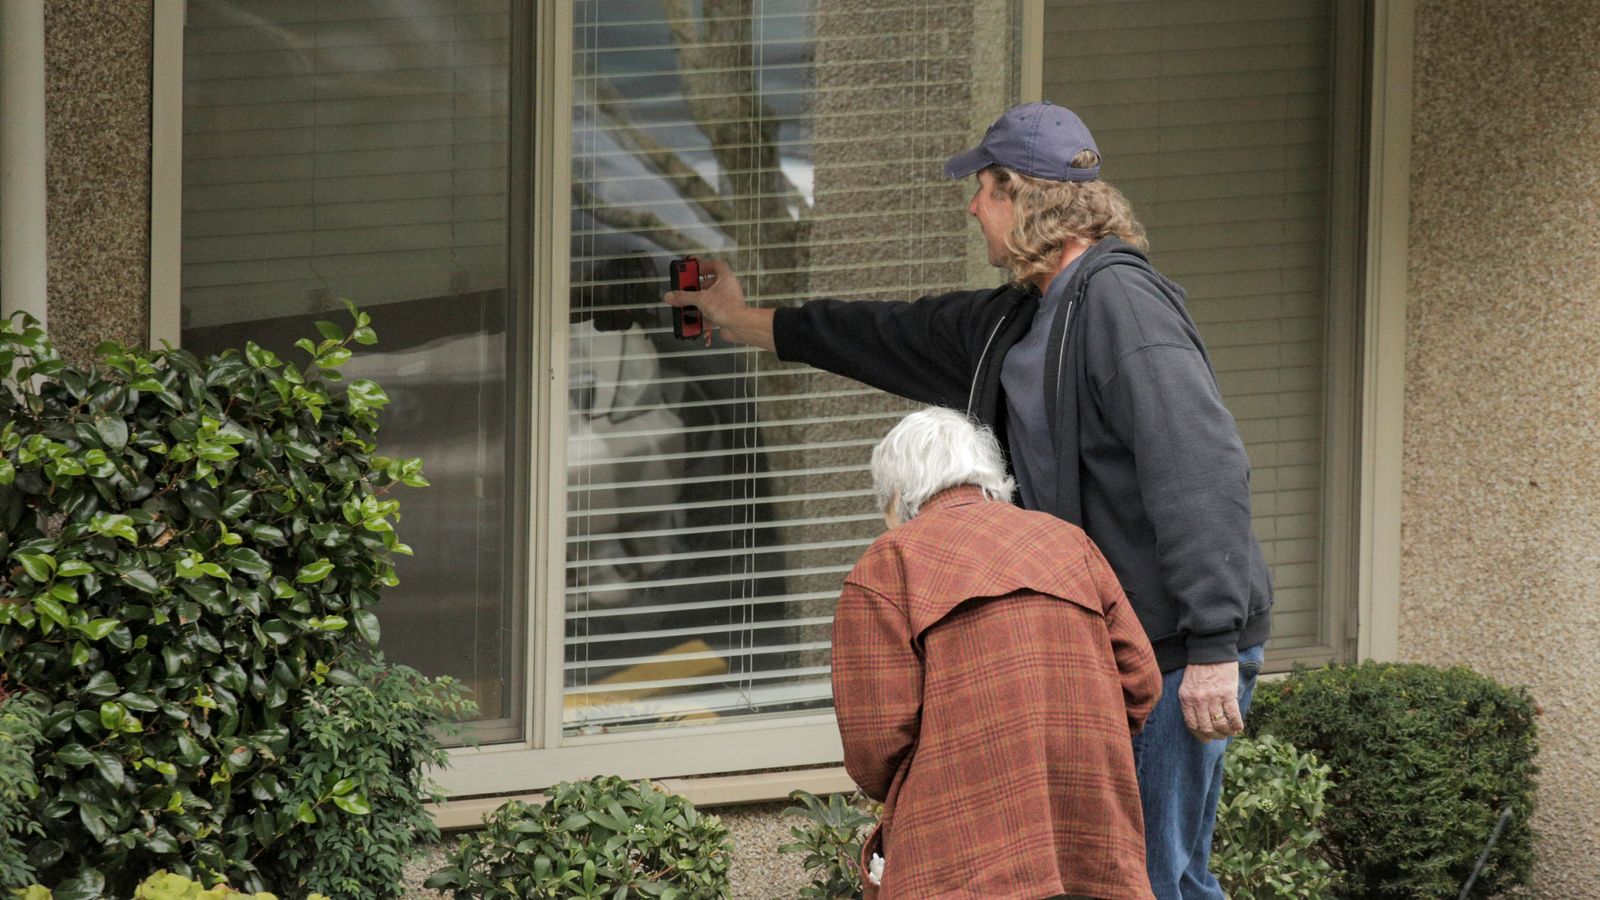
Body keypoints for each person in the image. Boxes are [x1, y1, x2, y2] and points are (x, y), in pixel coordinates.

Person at [665, 100, 1275, 897]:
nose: (971, 207)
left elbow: (1199, 468)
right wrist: (737, 319)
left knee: (1151, 877)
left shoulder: (1124, 305)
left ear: (1022, 195)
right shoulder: (1019, 318)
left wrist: (1213, 649)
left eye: (982, 190)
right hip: (1108, 645)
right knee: (1140, 875)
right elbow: (885, 335)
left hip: (1169, 647)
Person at [833, 407, 1161, 900]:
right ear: (988, 476)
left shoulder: (889, 564)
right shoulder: (1068, 543)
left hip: (959, 852)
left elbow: (874, 744)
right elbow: (1141, 683)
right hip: (1089, 834)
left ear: (898, 496)